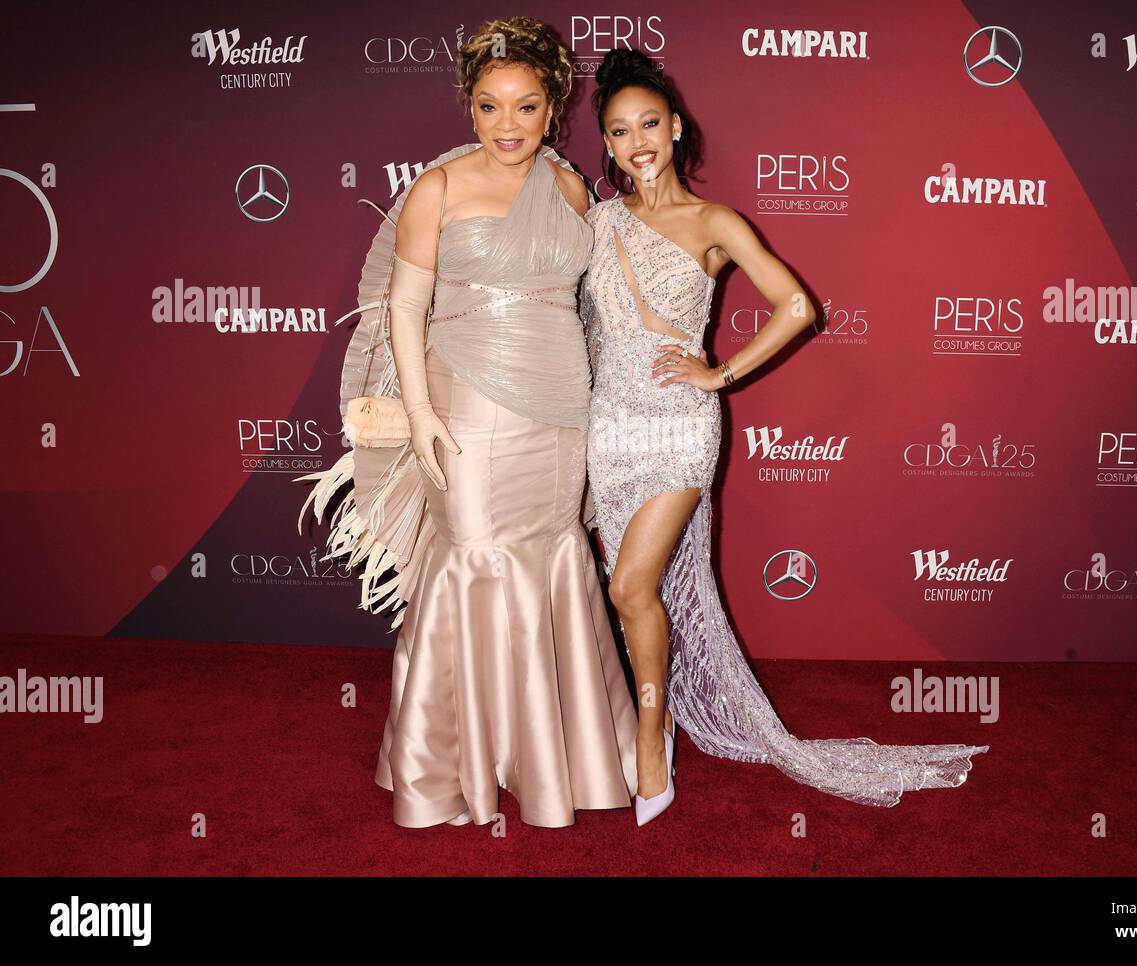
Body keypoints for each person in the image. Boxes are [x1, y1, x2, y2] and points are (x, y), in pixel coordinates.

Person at [578, 49, 989, 825]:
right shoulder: (595, 223)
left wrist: (720, 374)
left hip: (678, 430)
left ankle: (650, 741)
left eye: (649, 125)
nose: (637, 142)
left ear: (675, 128)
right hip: (609, 429)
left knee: (632, 586)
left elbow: (797, 306)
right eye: (619, 130)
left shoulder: (714, 221)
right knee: (634, 593)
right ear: (607, 141)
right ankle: (654, 715)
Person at [298, 18, 639, 828]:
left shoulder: (569, 189)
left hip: (562, 407)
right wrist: (419, 415)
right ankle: (459, 767)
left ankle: (557, 760)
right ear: (470, 109)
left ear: (555, 105)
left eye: (525, 106)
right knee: (476, 560)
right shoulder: (439, 188)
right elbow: (403, 305)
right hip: (469, 409)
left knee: (555, 562)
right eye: (489, 107)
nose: (507, 125)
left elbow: (589, 304)